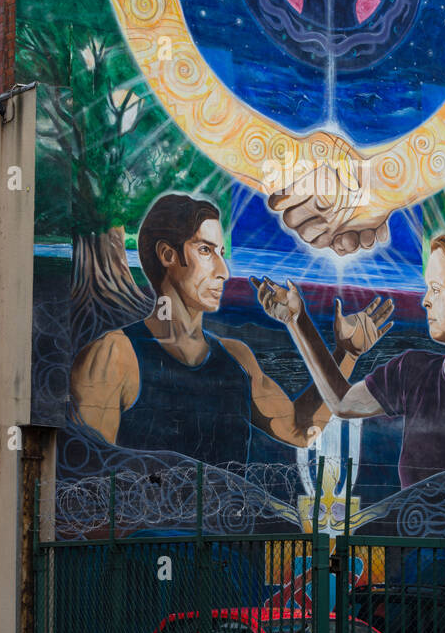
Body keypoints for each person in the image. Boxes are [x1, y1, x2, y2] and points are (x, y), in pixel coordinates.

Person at [69, 192, 393, 466]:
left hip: (228, 540)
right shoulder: (113, 357)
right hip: (151, 541)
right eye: (206, 250)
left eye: (221, 253)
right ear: (168, 255)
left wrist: (345, 353)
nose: (223, 271)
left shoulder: (237, 358)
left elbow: (300, 429)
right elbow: (92, 476)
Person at [253, 226, 445, 488]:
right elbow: (342, 402)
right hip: (416, 555)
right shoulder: (414, 372)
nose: (425, 301)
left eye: (436, 289)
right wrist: (298, 321)